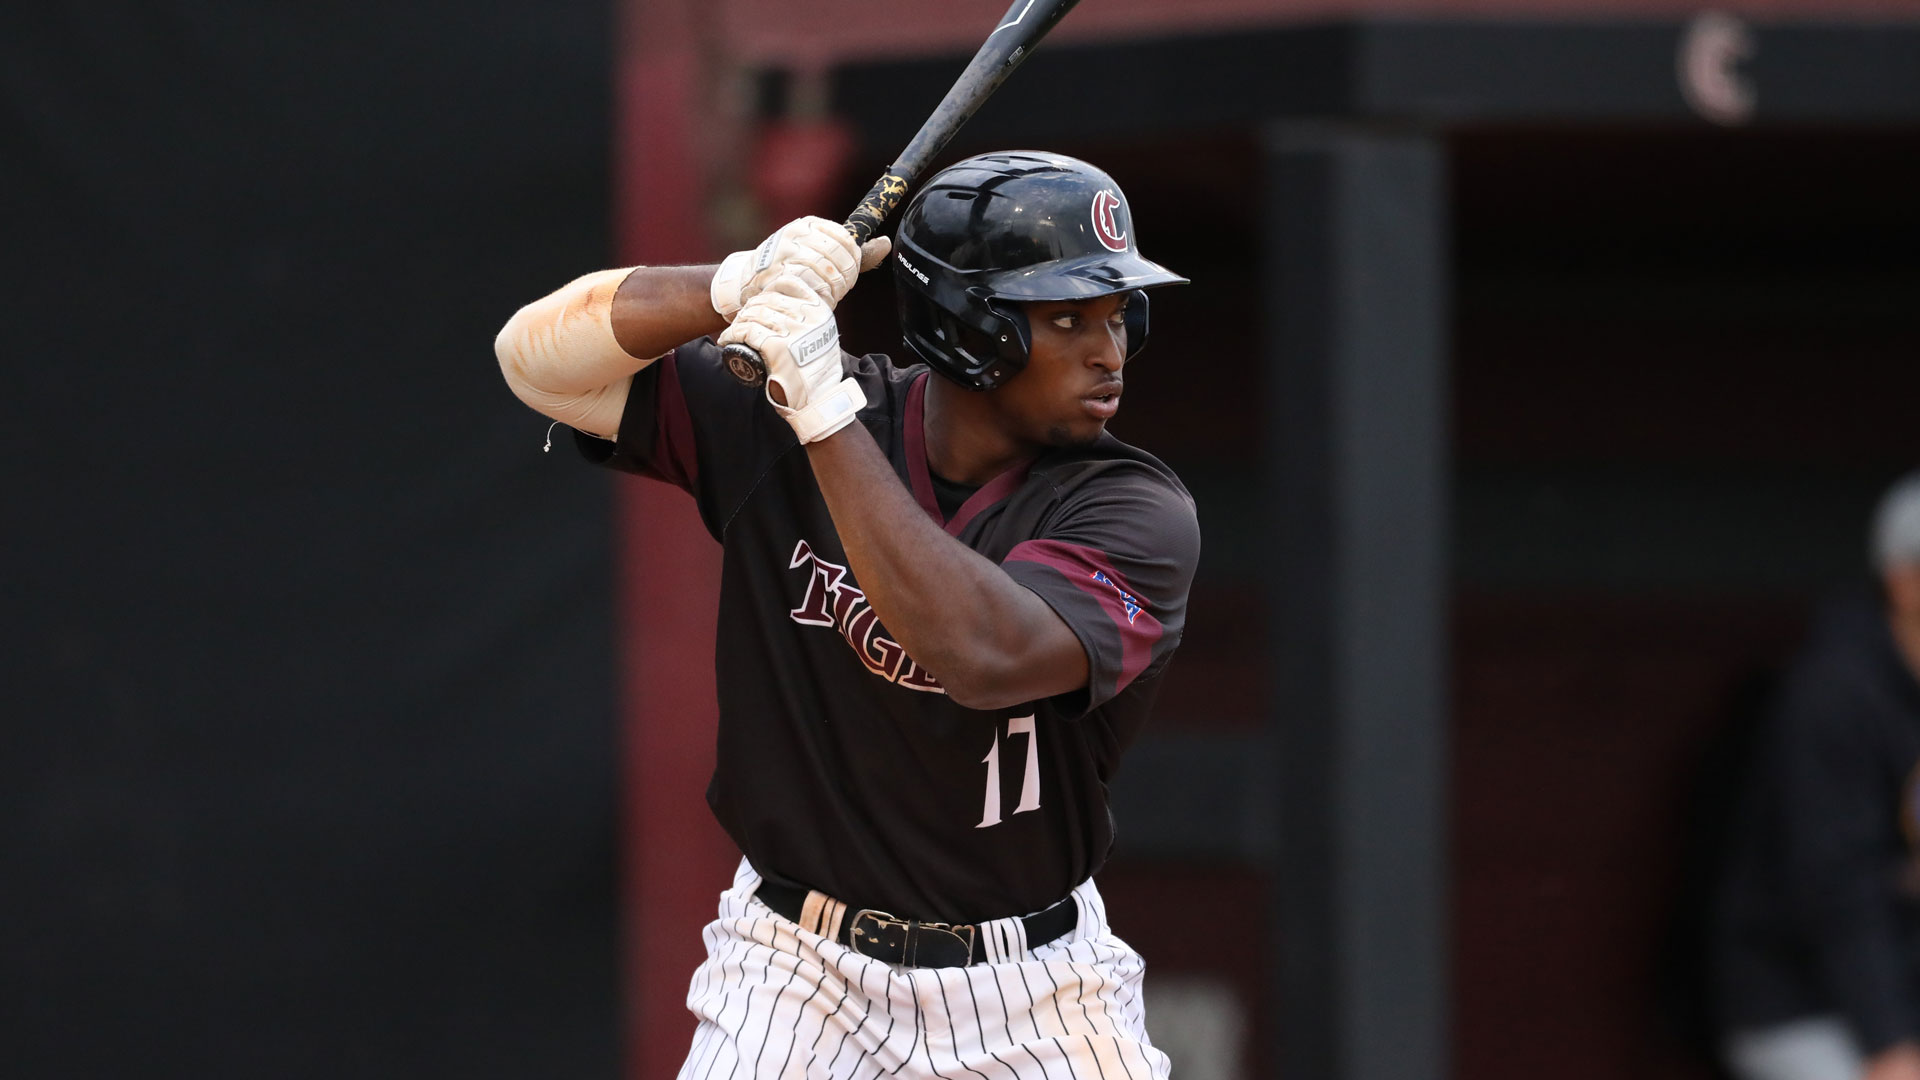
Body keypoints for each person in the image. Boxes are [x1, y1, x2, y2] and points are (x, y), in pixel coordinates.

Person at [494, 152, 1199, 1079]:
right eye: (1067, 319)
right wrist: (744, 283)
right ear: (967, 326)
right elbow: (539, 361)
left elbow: (983, 654)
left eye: (1116, 317)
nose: (1108, 352)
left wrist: (820, 410)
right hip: (796, 967)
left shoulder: (1131, 509)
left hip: (1034, 987)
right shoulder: (786, 418)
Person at [1711, 471, 1920, 1080]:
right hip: (1803, 1007)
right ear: (1904, 582)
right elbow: (1836, 892)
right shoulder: (1833, 693)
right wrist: (1889, 1046)